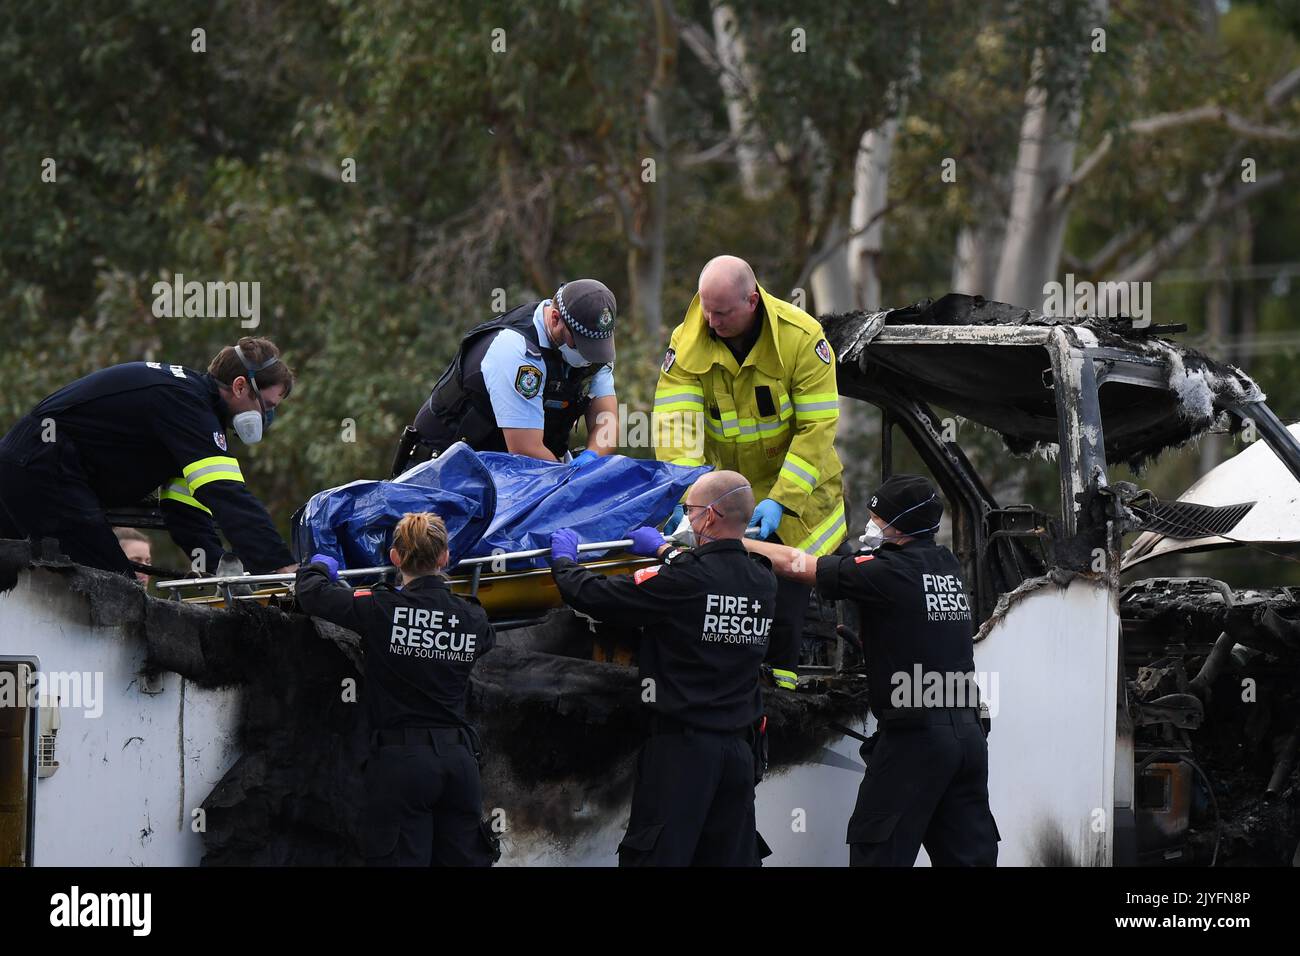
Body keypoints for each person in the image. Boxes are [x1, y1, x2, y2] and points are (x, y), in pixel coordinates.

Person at [744, 474, 999, 866]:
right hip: (968, 734)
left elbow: (800, 565)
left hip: (915, 740)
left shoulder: (888, 571)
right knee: (967, 856)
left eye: (879, 520)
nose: (872, 526)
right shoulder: (946, 564)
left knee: (876, 850)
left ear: (901, 526)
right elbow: (920, 624)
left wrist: (733, 542)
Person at [547, 470, 776, 866]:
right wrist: (665, 553)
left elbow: (594, 596)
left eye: (689, 510)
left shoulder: (682, 582)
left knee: (657, 856)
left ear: (710, 516)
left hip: (683, 754)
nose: (685, 518)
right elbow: (707, 580)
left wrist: (565, 561)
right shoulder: (763, 580)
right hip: (739, 756)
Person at [653, 255, 845, 692]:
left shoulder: (801, 340)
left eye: (722, 312)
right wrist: (688, 500)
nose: (711, 319)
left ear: (752, 301)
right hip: (732, 495)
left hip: (802, 500)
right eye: (705, 307)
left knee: (787, 591)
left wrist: (781, 499)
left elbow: (817, 430)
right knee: (718, 589)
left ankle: (782, 695)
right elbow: (676, 429)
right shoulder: (687, 343)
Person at [296, 512, 499, 867]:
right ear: (444, 557)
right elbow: (485, 641)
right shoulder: (473, 617)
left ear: (395, 557)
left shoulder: (380, 608)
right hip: (460, 765)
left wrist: (316, 568)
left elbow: (312, 595)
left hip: (402, 765)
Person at [0, 337, 297, 577]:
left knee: (16, 584)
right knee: (113, 589)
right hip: (42, 466)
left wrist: (221, 568)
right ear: (240, 386)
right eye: (267, 405)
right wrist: (281, 566)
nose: (267, 416)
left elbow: (186, 513)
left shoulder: (195, 418)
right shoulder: (187, 405)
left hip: (31, 467)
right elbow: (227, 494)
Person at [393, 279, 621, 475]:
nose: (588, 356)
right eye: (580, 344)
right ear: (554, 319)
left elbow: (607, 419)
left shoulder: (594, 348)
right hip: (441, 473)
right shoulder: (516, 350)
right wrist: (571, 483)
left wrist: (592, 456)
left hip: (512, 475)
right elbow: (525, 449)